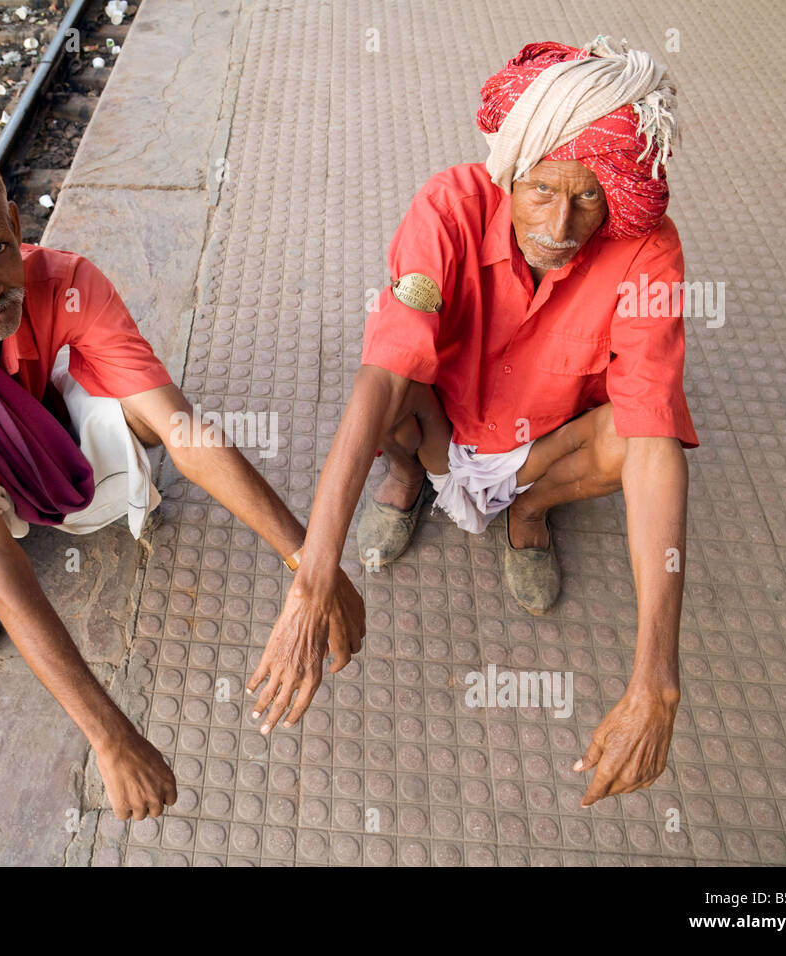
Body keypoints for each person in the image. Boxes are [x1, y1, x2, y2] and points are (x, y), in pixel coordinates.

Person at [0, 136, 365, 822]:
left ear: (17, 227)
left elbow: (182, 432)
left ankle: (68, 488)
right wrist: (110, 735)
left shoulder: (69, 280)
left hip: (31, 424)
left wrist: (310, 564)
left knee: (136, 408)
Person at [250, 37, 696, 808]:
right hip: (440, 423)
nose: (561, 223)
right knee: (390, 391)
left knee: (635, 433)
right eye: (543, 191)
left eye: (589, 197)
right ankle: (407, 480)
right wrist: (313, 573)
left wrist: (656, 681)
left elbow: (654, 438)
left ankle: (530, 509)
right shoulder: (448, 207)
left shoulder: (647, 249)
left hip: (542, 445)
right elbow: (383, 376)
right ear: (510, 170)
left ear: (617, 197)